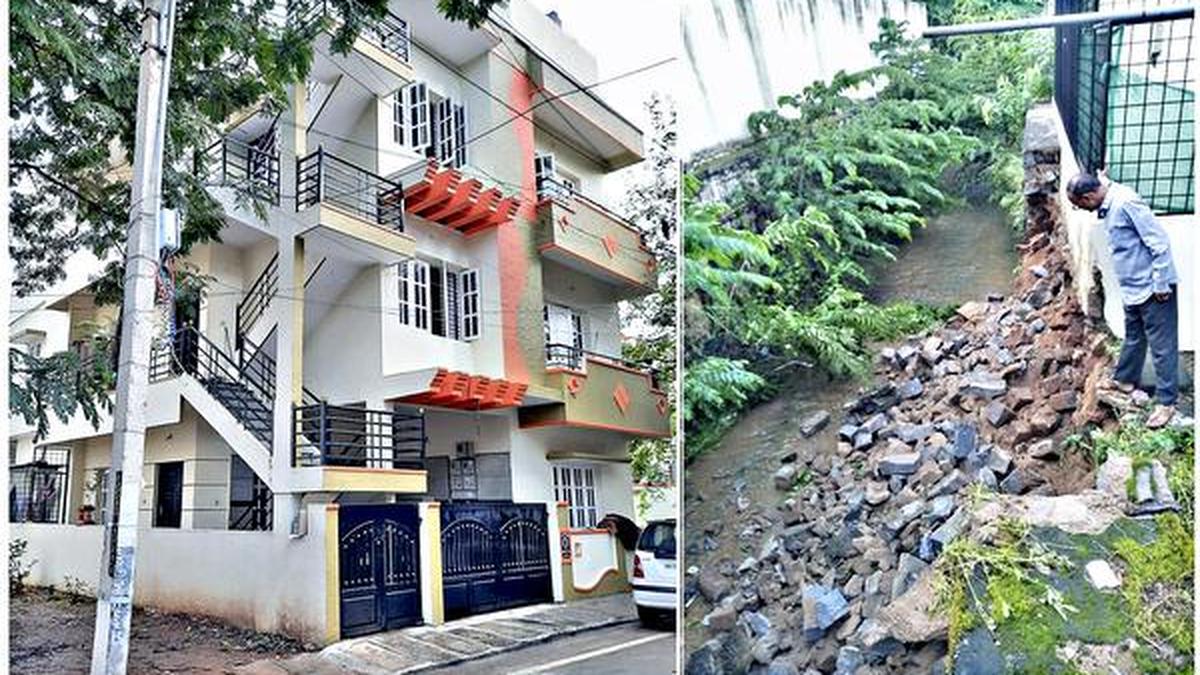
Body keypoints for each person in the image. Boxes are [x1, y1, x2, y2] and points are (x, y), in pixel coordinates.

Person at [1066, 173, 1179, 429]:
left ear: (1089, 196)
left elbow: (1159, 243)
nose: (1082, 210)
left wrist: (1161, 283)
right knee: (1134, 335)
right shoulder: (1108, 199)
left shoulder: (1126, 203)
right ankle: (1125, 379)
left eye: (1080, 205)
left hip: (1153, 288)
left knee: (1162, 346)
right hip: (1133, 287)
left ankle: (1166, 403)